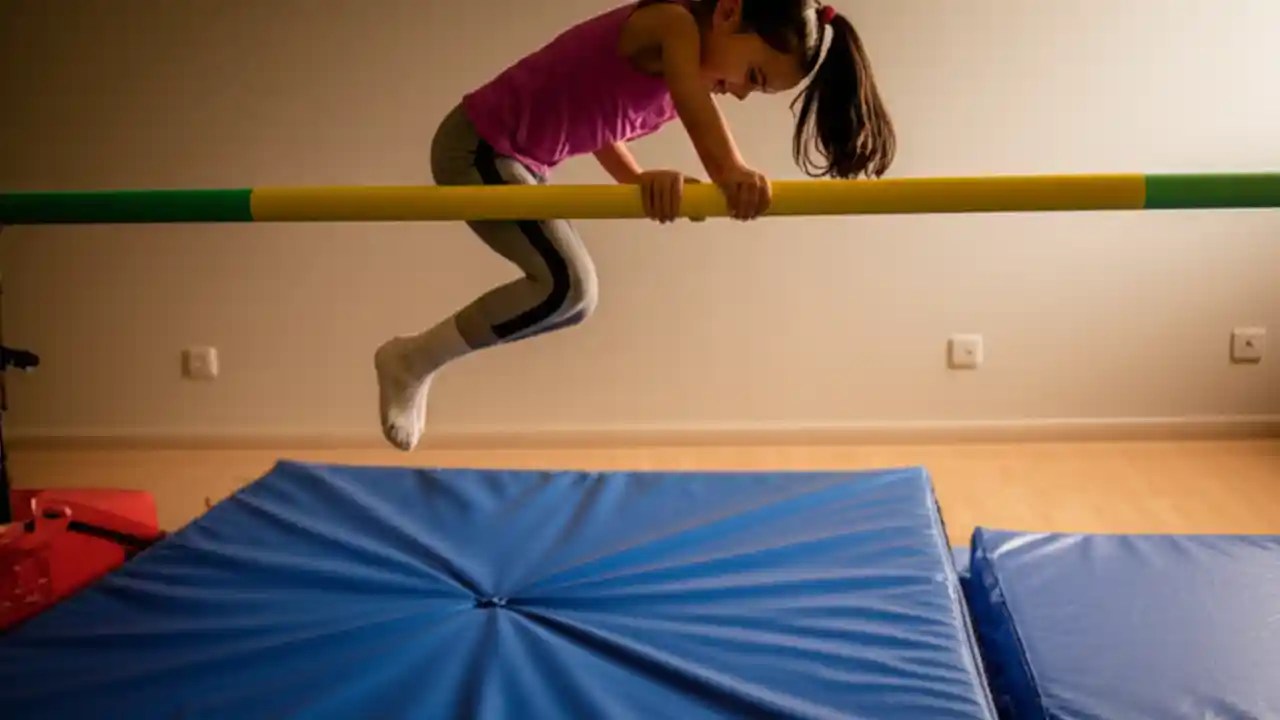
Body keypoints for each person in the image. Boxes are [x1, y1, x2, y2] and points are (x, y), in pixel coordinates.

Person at [375, 0, 896, 450]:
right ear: (729, 10)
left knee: (575, 299)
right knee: (566, 286)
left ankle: (414, 358)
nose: (738, 93)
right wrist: (731, 173)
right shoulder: (674, 25)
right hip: (480, 146)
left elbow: (593, 115)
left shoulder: (679, 67)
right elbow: (699, 117)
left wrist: (639, 179)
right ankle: (413, 359)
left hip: (519, 160)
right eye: (753, 77)